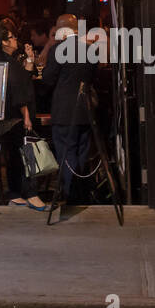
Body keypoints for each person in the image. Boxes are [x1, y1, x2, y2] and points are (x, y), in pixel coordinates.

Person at [39, 13, 96, 204]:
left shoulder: (58, 50)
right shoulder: (90, 49)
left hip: (64, 110)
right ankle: (82, 193)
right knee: (82, 151)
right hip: (85, 109)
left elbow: (47, 79)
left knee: (66, 151)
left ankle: (70, 194)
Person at [0, 25, 40, 207]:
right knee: (23, 154)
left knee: (16, 155)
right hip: (15, 118)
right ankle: (28, 192)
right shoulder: (7, 62)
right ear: (4, 42)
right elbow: (19, 93)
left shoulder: (9, 60)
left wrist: (30, 59)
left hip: (12, 118)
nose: (15, 40)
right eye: (12, 37)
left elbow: (25, 80)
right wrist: (26, 115)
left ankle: (18, 192)